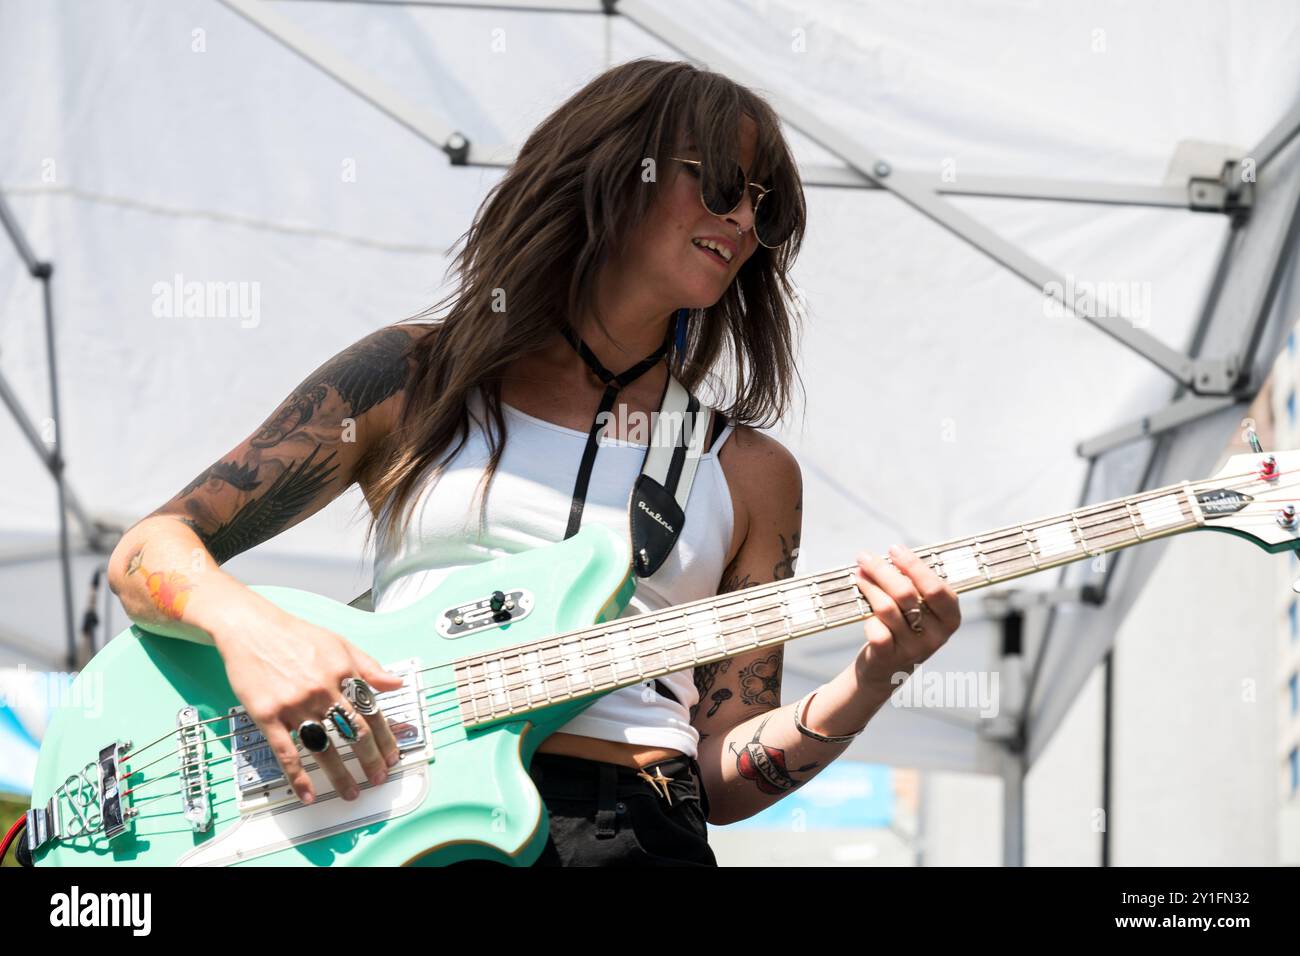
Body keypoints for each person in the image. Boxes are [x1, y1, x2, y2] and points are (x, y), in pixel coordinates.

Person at [106, 58, 961, 866]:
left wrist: (874, 675)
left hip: (636, 826)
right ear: (617, 170)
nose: (743, 221)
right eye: (727, 185)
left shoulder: (748, 469)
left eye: (765, 211)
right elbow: (149, 550)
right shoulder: (415, 377)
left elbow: (721, 766)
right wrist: (260, 636)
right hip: (399, 821)